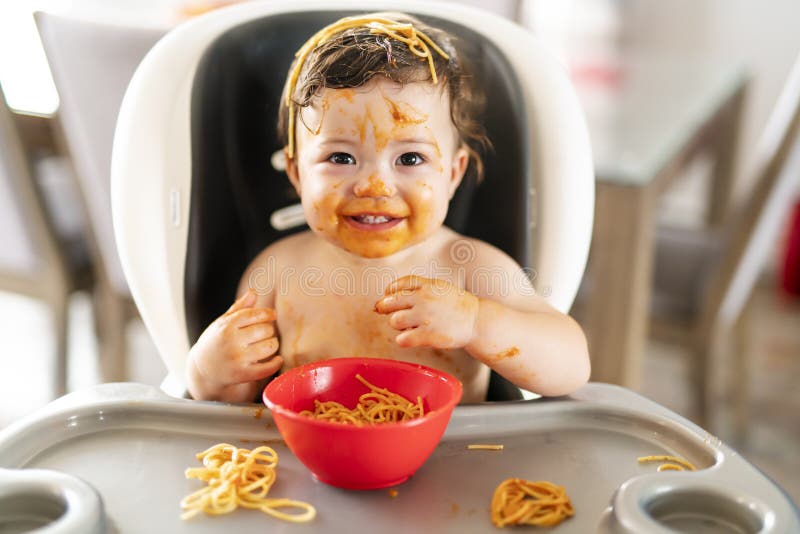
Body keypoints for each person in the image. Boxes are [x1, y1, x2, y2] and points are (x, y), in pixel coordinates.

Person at [186, 12, 590, 403]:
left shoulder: (472, 270)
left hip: (454, 465)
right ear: (295, 173)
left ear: (452, 173)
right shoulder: (275, 272)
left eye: (410, 159)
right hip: (307, 466)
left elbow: (571, 366)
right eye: (341, 158)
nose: (375, 186)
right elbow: (235, 407)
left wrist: (475, 323)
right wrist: (211, 371)